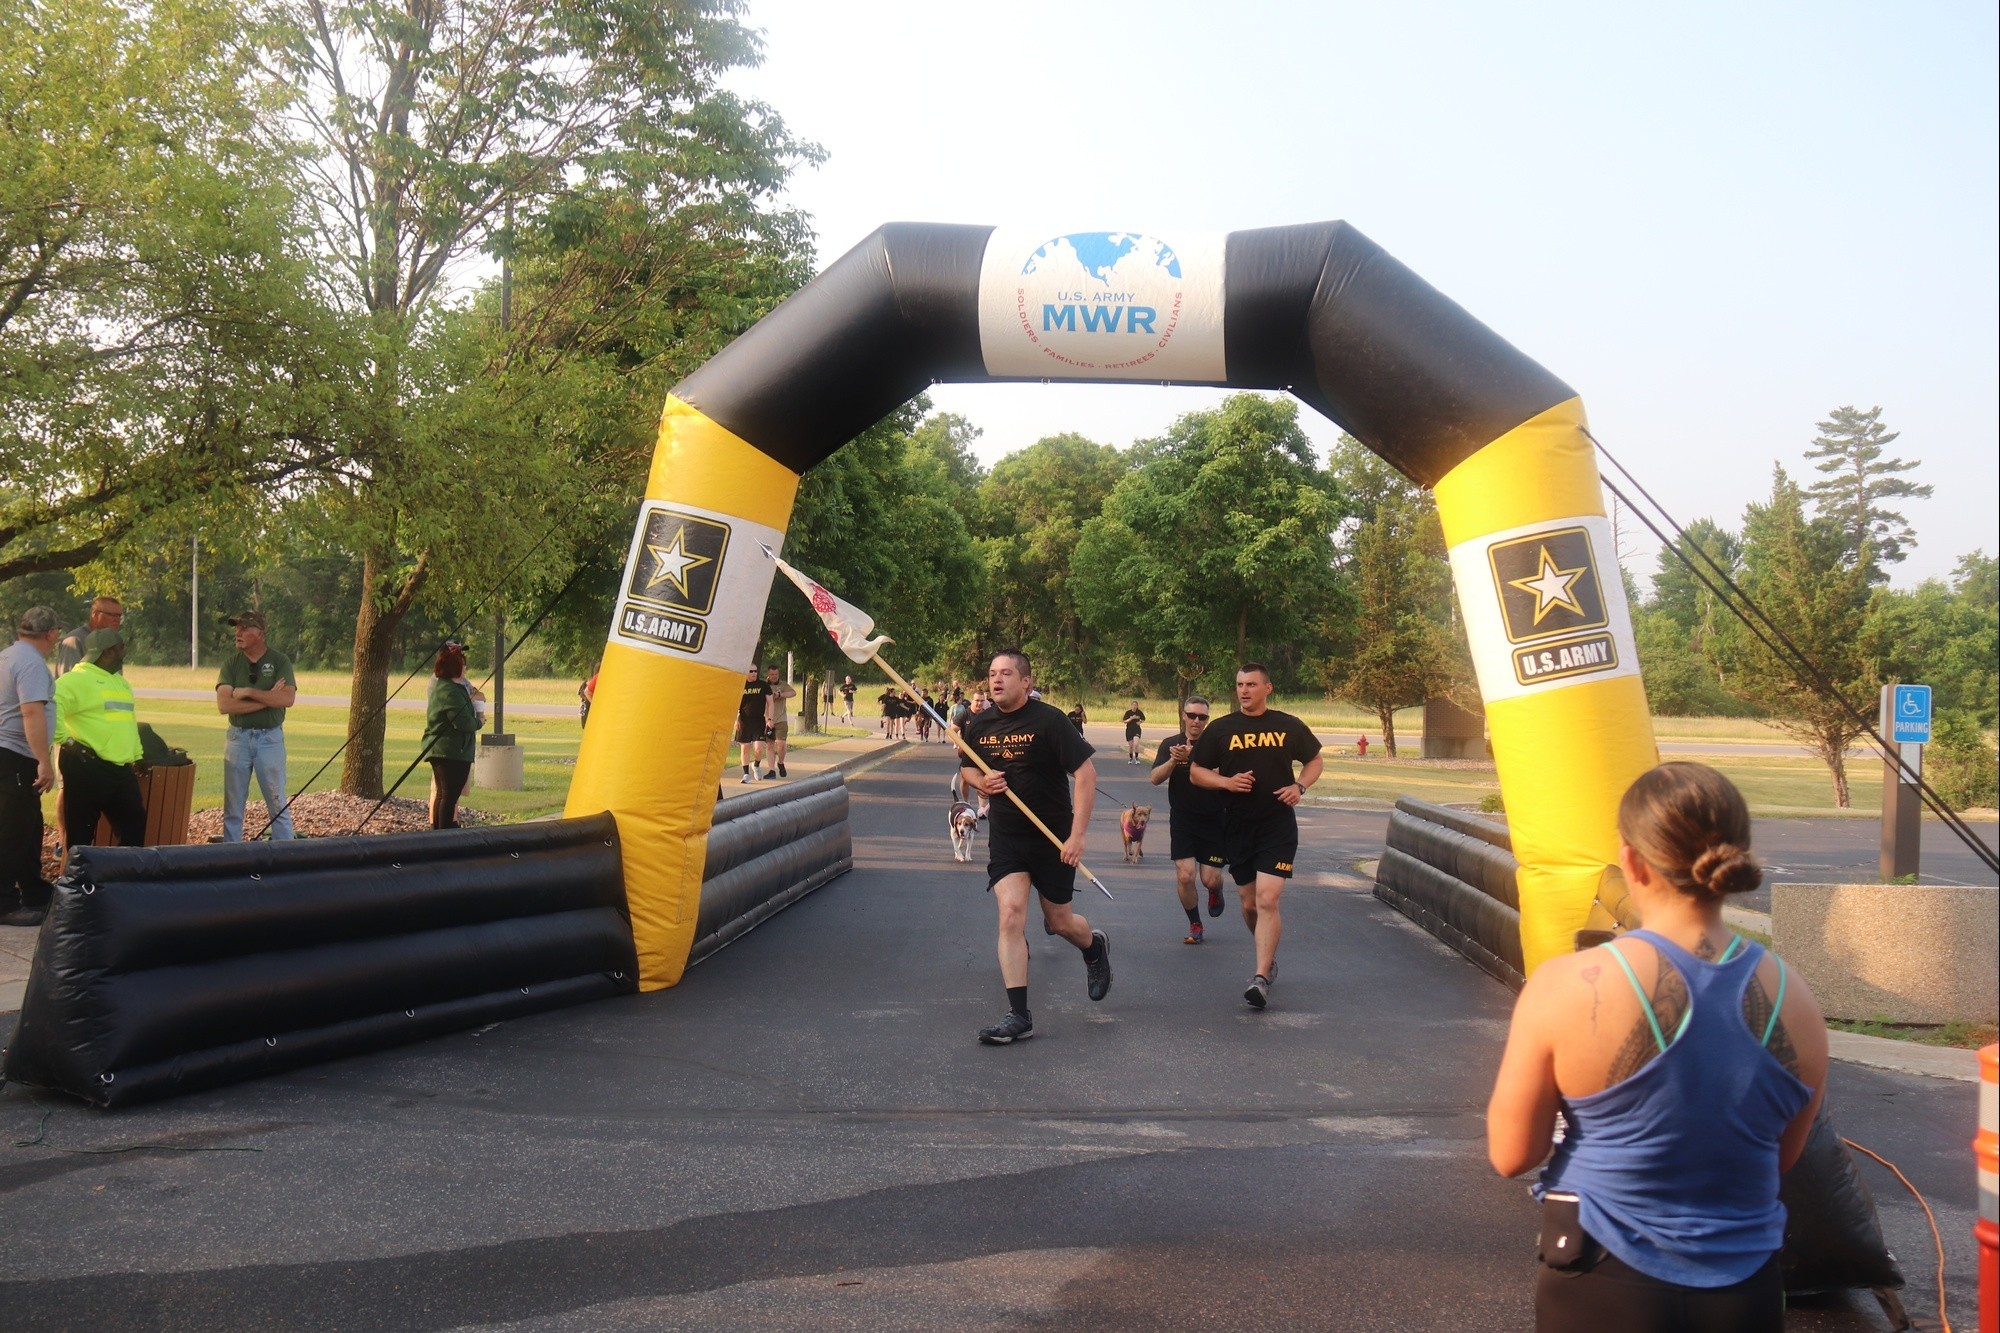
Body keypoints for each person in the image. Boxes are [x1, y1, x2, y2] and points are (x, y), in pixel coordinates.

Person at [1487, 762, 1828, 1333]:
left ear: (1633, 862)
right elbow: (1782, 1156)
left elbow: (1511, 1154)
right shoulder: (1798, 999)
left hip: (1601, 1275)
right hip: (1746, 1286)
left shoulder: (1566, 985)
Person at [958, 649, 1109, 1044]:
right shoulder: (980, 723)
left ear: (1026, 681)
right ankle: (1019, 1015)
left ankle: (1093, 948)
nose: (996, 680)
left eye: (1006, 673)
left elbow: (1086, 775)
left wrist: (1077, 837)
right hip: (1008, 838)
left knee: (1059, 922)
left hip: (1053, 837)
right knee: (1010, 915)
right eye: (992, 673)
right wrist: (981, 782)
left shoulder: (1051, 721)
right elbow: (967, 766)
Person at [1189, 663, 1323, 1009]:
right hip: (1236, 825)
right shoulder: (1221, 729)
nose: (1244, 690)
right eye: (1239, 684)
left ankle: (1260, 977)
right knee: (1249, 904)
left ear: (1268, 688)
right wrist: (1226, 783)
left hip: (1276, 825)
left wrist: (1300, 786)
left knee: (1267, 899)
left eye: (1251, 684)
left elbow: (1314, 761)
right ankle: (1268, 955)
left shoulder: (1287, 725)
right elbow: (1196, 772)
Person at [53, 629, 147, 853]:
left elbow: (127, 722)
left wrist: (137, 755)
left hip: (120, 769)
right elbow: (50, 709)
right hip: (86, 765)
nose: (124, 653)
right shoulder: (74, 680)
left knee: (134, 823)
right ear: (108, 652)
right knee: (81, 832)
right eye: (121, 649)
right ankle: (79, 882)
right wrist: (67, 742)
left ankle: (122, 878)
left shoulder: (120, 683)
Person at [1150, 695, 1228, 944]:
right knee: (1185, 876)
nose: (1196, 721)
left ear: (1207, 719)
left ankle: (1216, 890)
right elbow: (1155, 778)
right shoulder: (1170, 744)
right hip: (1183, 819)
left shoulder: (1217, 745)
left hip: (1214, 819)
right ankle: (1195, 923)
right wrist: (1174, 759)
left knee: (1209, 878)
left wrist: (1193, 759)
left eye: (1202, 717)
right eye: (1192, 715)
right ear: (1183, 716)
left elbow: (1226, 777)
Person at [215, 611, 298, 841]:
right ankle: (231, 859)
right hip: (237, 739)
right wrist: (266, 698)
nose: (237, 633)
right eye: (236, 628)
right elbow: (224, 705)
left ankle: (286, 857)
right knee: (233, 807)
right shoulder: (231, 664)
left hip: (269, 739)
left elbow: (287, 700)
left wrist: (250, 693)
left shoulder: (280, 661)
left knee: (277, 803)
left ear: (260, 634)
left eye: (244, 628)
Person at [1, 607, 61, 926]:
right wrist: (43, 761)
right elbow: (31, 713)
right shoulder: (31, 663)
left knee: (29, 826)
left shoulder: (7, 656)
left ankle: (35, 891)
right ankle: (5, 903)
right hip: (17, 755)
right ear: (51, 633)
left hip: (6, 753)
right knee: (13, 830)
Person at [424, 642, 485, 829]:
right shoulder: (450, 691)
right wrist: (479, 722)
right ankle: (444, 835)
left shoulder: (451, 687)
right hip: (449, 750)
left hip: (447, 749)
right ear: (454, 667)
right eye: (462, 663)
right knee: (448, 796)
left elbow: (479, 696)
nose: (465, 668)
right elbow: (463, 722)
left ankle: (440, 832)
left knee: (445, 795)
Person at [54, 596, 123, 675]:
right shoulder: (74, 640)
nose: (117, 619)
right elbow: (68, 678)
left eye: (119, 616)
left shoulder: (112, 642)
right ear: (95, 614)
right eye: (112, 615)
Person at [736, 663, 770, 783]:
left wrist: (769, 719)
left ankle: (756, 765)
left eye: (755, 671)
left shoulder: (763, 685)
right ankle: (746, 774)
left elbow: (770, 703)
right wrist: (736, 719)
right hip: (744, 720)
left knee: (758, 749)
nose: (754, 673)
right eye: (751, 671)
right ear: (746, 672)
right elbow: (734, 704)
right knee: (745, 748)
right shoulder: (740, 685)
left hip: (758, 721)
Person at [763, 664, 796, 778]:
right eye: (772, 674)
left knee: (781, 744)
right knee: (769, 745)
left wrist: (780, 694)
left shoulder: (782, 685)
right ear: (768, 674)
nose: (774, 676)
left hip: (781, 718)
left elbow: (793, 693)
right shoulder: (764, 686)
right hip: (767, 719)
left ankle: (780, 762)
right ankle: (772, 770)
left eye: (776, 674)